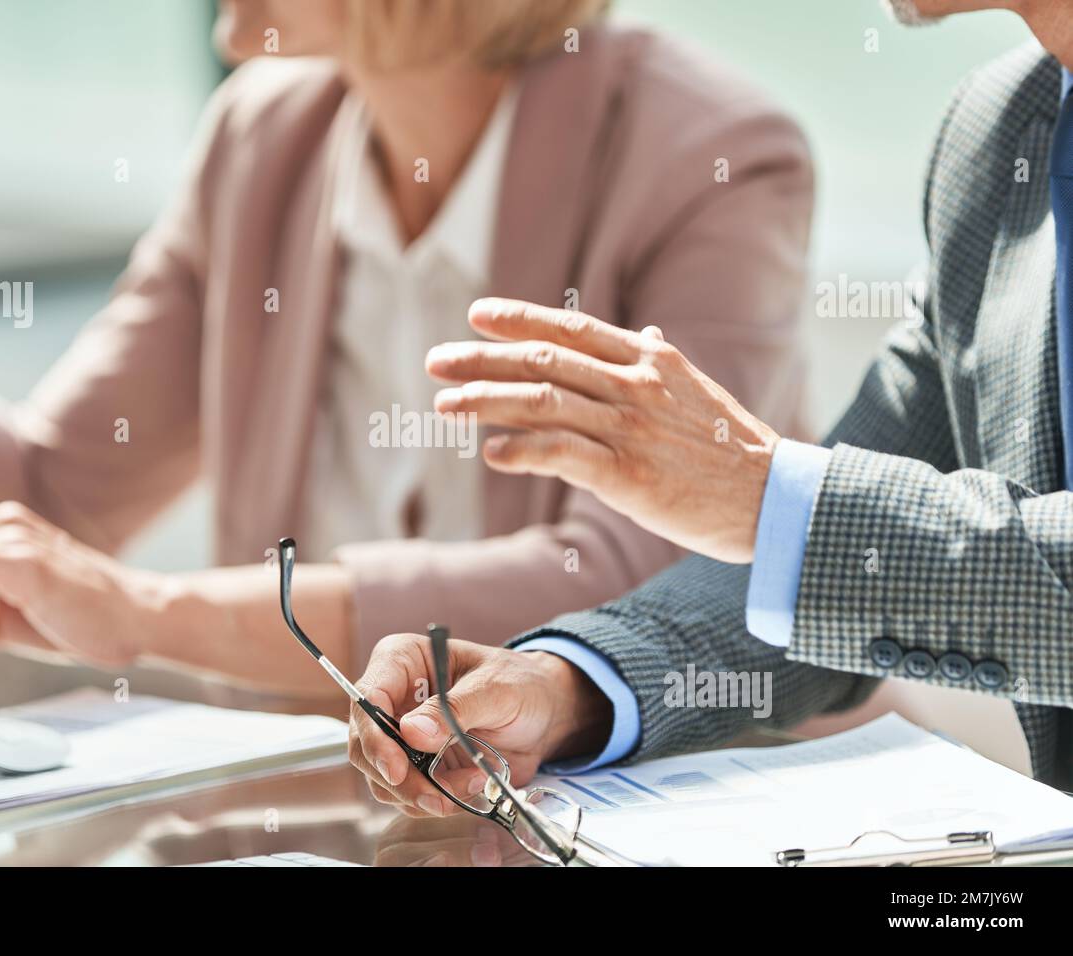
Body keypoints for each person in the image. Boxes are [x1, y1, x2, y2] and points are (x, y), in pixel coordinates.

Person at [0, 0, 816, 714]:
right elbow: (45, 501)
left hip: (599, 799)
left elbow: (637, 586)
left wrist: (145, 613)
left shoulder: (707, 155)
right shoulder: (263, 142)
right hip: (318, 783)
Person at [348, 0, 1073, 816]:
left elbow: (818, 529)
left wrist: (771, 497)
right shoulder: (1003, 132)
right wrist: (567, 685)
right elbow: (832, 567)